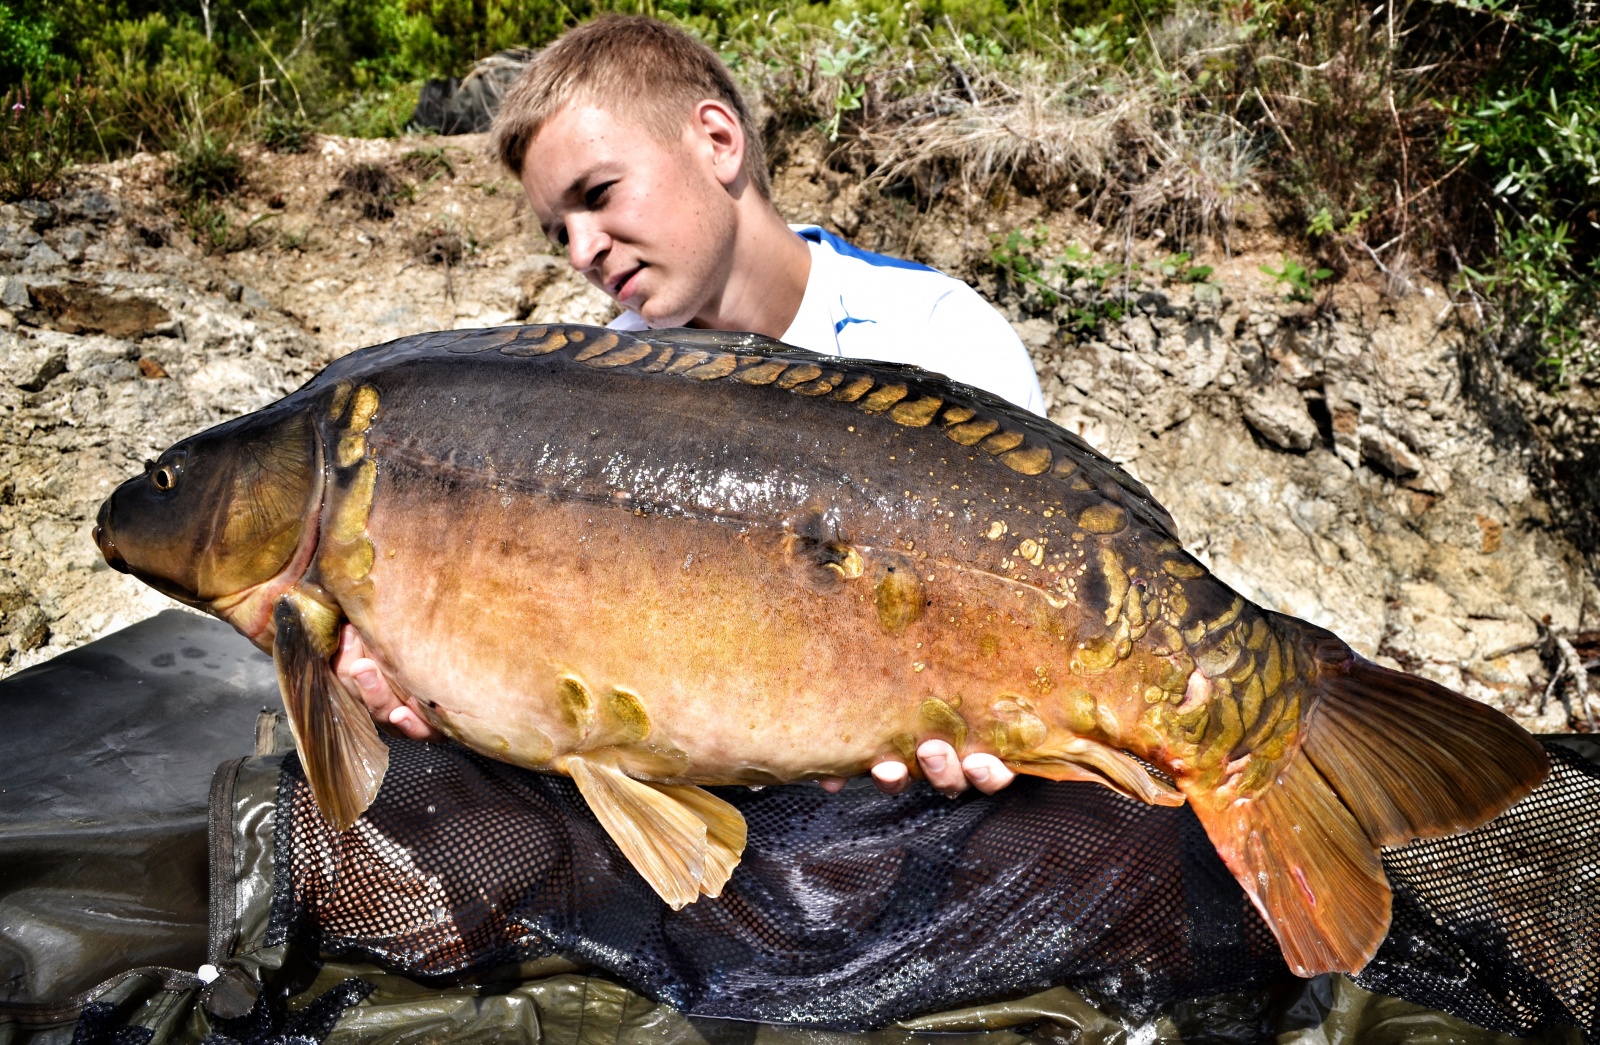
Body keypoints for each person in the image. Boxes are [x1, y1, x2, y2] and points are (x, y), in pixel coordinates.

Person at [334, 14, 1046, 797]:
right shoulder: (586, 399)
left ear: (717, 141)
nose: (582, 251)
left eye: (598, 194)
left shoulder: (940, 333)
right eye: (558, 232)